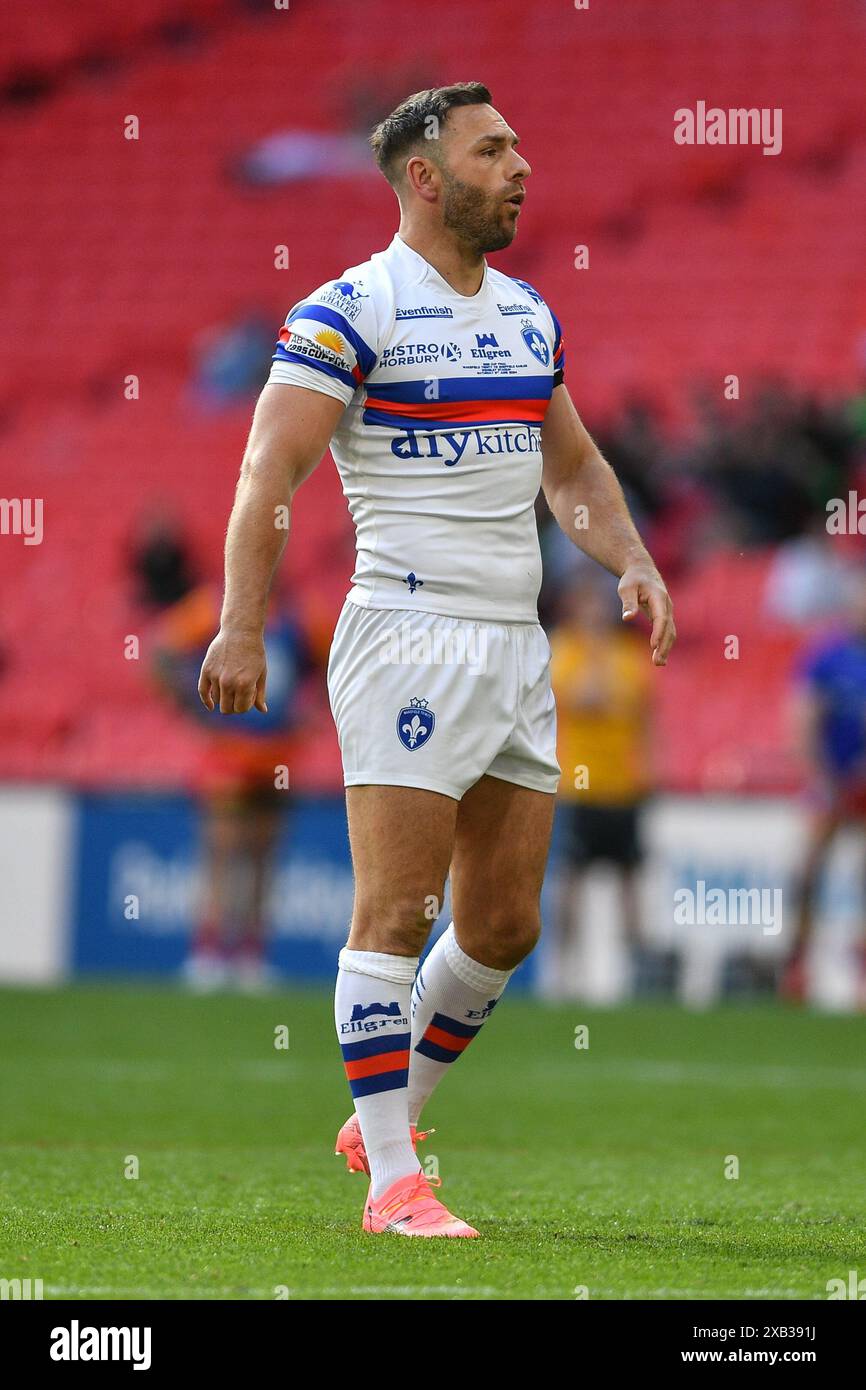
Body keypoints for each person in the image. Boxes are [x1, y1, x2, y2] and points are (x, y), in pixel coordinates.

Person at [198, 82, 675, 1236]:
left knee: (505, 922)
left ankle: (385, 1112)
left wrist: (631, 558)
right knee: (397, 911)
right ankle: (393, 1186)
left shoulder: (524, 315)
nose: (519, 166)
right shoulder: (351, 312)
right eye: (492, 149)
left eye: (516, 145)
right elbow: (269, 473)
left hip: (515, 644)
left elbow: (570, 470)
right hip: (407, 633)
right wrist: (239, 620)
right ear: (425, 178)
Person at [156, 582, 311, 991]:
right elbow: (163, 652)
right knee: (221, 853)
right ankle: (209, 952)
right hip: (227, 755)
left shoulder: (300, 616)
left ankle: (251, 954)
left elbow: (333, 664)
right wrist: (196, 709)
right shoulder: (213, 607)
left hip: (277, 755)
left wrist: (311, 713)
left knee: (263, 857)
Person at [549, 579, 653, 990]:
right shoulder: (565, 651)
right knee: (571, 881)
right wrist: (595, 654)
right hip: (579, 786)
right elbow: (585, 698)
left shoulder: (629, 656)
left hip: (622, 786)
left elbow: (644, 714)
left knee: (630, 881)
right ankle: (565, 974)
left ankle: (636, 972)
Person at [782, 572, 866, 1003]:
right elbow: (803, 720)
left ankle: (860, 970)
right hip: (833, 780)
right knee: (811, 871)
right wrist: (820, 777)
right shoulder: (826, 657)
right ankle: (798, 962)